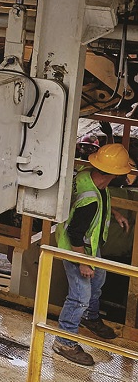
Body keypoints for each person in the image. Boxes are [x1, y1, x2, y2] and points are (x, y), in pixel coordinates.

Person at [53, 143, 134, 366]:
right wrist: (82, 262)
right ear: (114, 174)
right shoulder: (89, 199)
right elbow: (75, 233)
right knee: (80, 296)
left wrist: (114, 213)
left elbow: (98, 202)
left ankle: (90, 317)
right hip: (77, 249)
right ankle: (64, 342)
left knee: (99, 280)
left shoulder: (90, 177)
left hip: (90, 245)